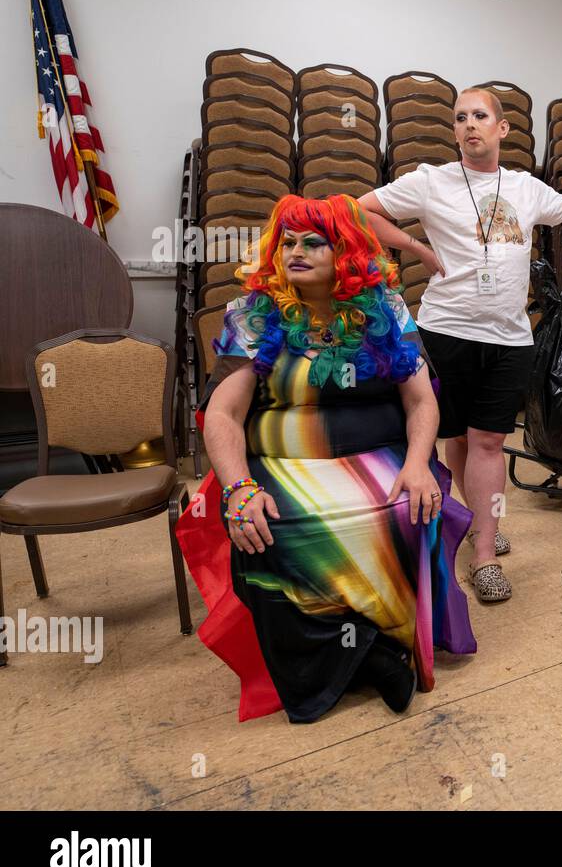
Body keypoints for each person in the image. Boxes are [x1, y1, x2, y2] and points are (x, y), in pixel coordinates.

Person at [358, 87, 562, 602]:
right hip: (445, 331)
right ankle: (482, 520)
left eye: (480, 116)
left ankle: (483, 552)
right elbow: (359, 211)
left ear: (502, 129)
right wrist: (415, 246)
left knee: (486, 441)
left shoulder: (526, 188)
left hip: (509, 337)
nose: (469, 125)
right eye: (460, 118)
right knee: (456, 440)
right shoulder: (429, 181)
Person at [176, 194, 476, 722]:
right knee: (268, 527)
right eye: (287, 242)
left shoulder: (385, 310)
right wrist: (240, 488)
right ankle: (364, 656)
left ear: (346, 253)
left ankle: (376, 645)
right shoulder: (253, 315)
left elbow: (421, 399)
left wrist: (417, 463)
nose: (296, 251)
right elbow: (222, 415)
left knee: (409, 508)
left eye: (313, 242)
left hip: (378, 457)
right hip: (280, 464)